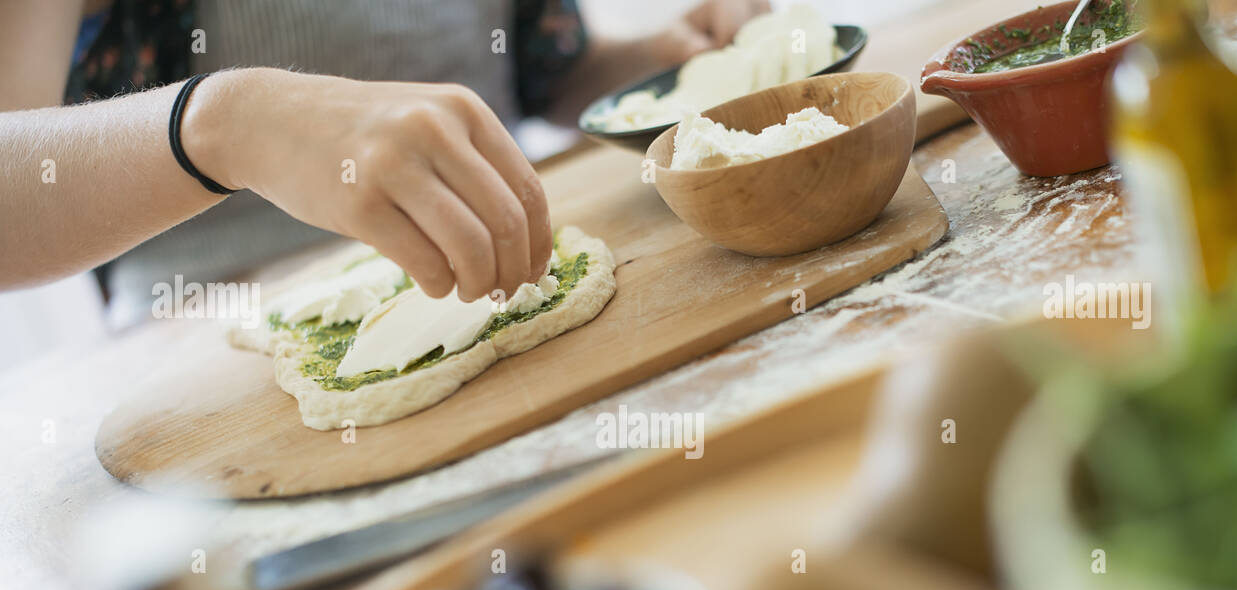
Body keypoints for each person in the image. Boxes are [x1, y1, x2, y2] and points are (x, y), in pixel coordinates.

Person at [0, 0, 769, 326]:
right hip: (217, 388)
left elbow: (546, 72)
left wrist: (672, 65)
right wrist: (228, 123)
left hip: (499, 289)